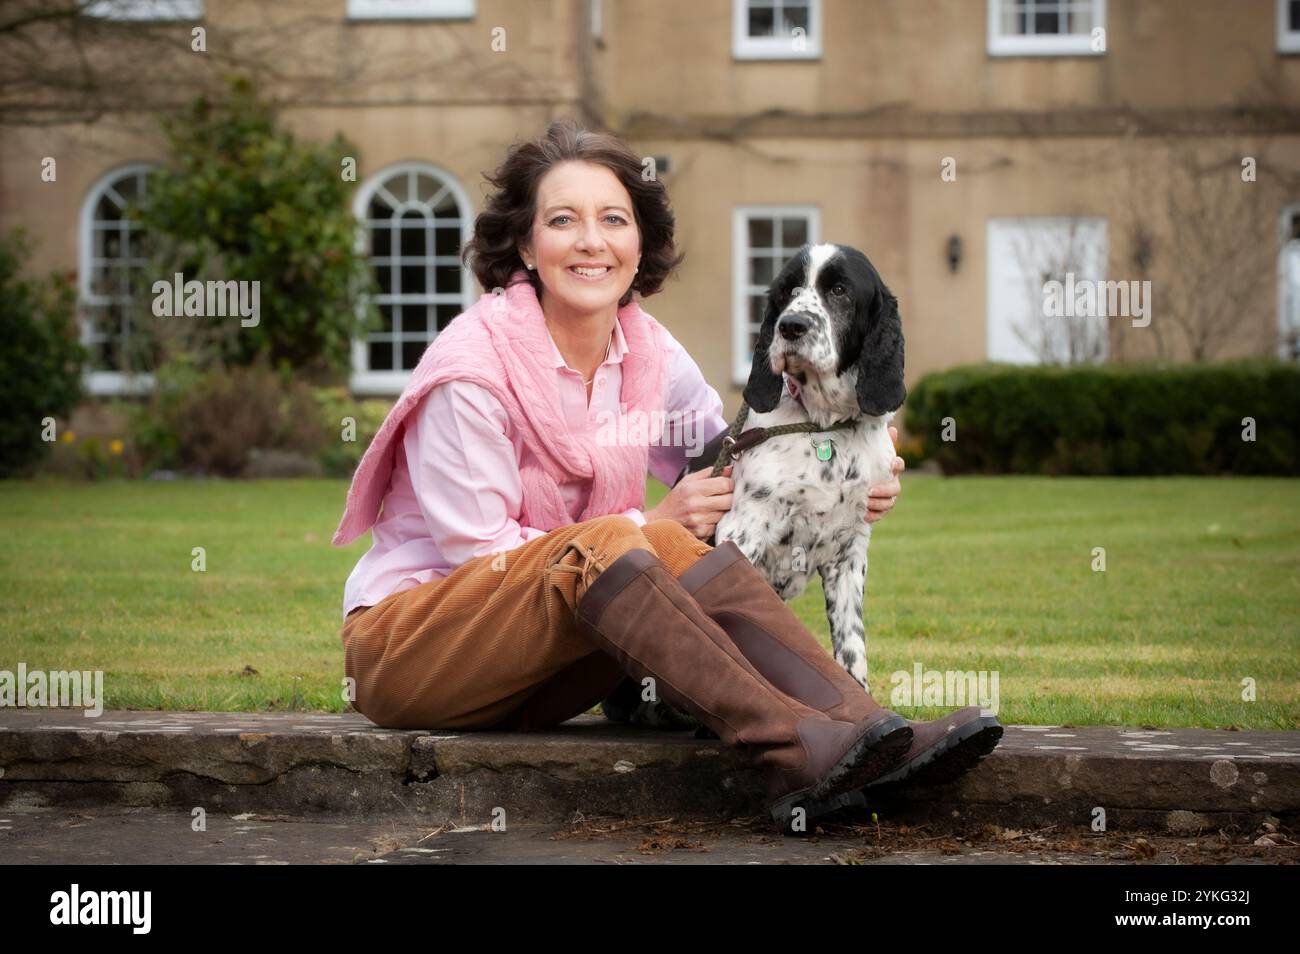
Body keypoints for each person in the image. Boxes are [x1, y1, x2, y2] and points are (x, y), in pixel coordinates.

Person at [333, 119, 997, 829]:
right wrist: (646, 527)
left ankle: (866, 727)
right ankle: (797, 748)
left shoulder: (645, 350)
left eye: (613, 219)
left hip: (547, 670)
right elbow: (484, 560)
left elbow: (734, 462)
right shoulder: (471, 373)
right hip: (417, 651)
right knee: (633, 540)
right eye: (563, 220)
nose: (592, 240)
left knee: (674, 546)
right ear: (526, 245)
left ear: (638, 242)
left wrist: (862, 461)